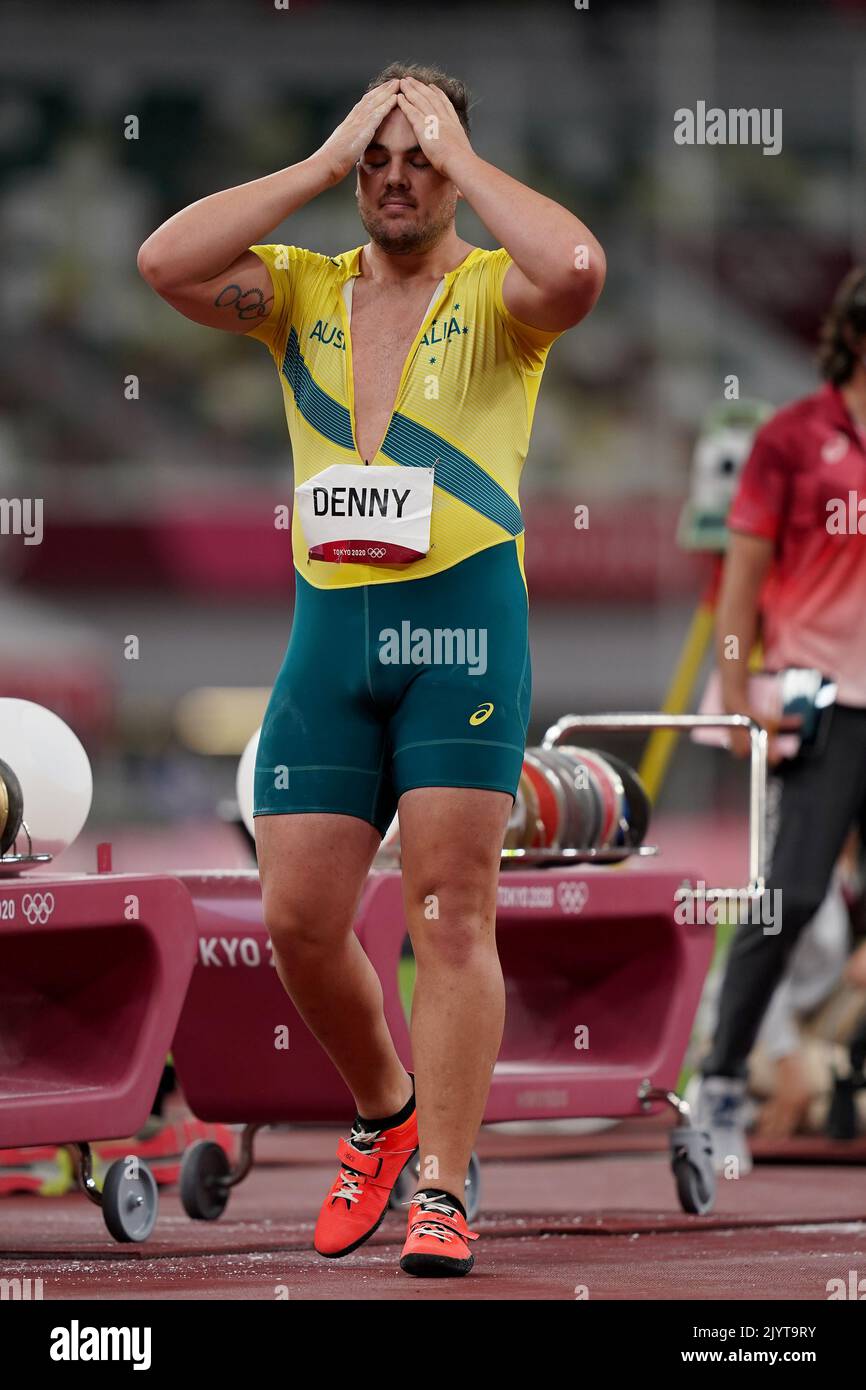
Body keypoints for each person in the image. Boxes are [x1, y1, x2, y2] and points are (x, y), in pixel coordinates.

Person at [138, 63, 604, 1276]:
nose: (395, 180)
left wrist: (464, 154)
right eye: (376, 160)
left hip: (459, 633)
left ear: (451, 167)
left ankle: (443, 1186)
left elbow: (578, 270)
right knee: (300, 919)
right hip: (328, 632)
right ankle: (387, 1113)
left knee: (450, 913)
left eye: (419, 159)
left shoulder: (498, 292)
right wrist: (313, 160)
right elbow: (163, 264)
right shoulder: (299, 290)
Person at [694, 267, 866, 1173]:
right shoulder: (793, 440)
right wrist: (733, 697)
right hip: (822, 702)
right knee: (789, 895)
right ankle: (721, 1082)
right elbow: (739, 591)